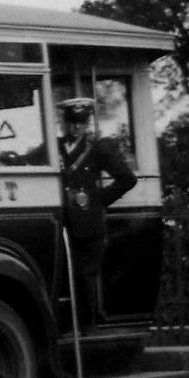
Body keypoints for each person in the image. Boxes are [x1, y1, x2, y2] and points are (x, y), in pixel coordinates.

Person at [57, 97, 137, 334]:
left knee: (85, 277)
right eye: (72, 122)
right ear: (65, 122)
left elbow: (127, 178)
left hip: (88, 224)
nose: (76, 127)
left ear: (87, 123)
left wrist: (99, 200)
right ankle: (67, 326)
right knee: (66, 276)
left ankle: (87, 327)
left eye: (80, 122)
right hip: (63, 223)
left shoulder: (97, 148)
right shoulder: (56, 147)